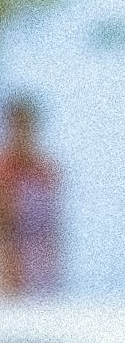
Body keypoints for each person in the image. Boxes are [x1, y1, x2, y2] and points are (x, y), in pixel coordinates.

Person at [0, 96, 58, 296]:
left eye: (27, 127)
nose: (22, 134)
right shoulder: (4, 168)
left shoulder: (45, 170)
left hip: (38, 263)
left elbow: (50, 224)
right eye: (18, 127)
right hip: (8, 264)